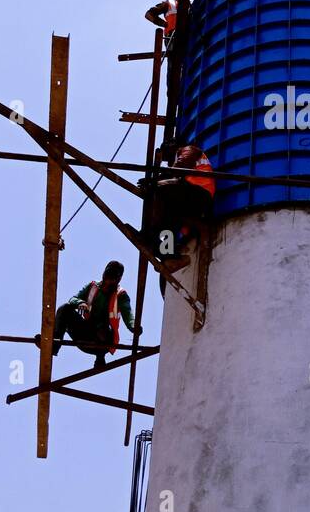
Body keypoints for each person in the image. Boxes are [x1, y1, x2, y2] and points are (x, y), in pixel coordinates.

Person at [142, 145, 215, 292]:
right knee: (166, 217)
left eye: (167, 152)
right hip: (188, 196)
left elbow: (180, 166)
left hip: (200, 193)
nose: (167, 158)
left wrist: (156, 182)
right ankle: (167, 253)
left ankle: (159, 244)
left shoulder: (188, 150)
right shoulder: (176, 169)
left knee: (159, 191)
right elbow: (171, 178)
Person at [49, 262, 139, 370]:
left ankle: (100, 357)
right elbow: (73, 299)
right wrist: (80, 303)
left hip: (102, 341)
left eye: (112, 278)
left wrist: (133, 327)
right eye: (107, 276)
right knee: (64, 309)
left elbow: (127, 313)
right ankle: (53, 346)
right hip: (84, 335)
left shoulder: (121, 295)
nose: (108, 281)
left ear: (118, 279)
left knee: (103, 328)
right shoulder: (93, 286)